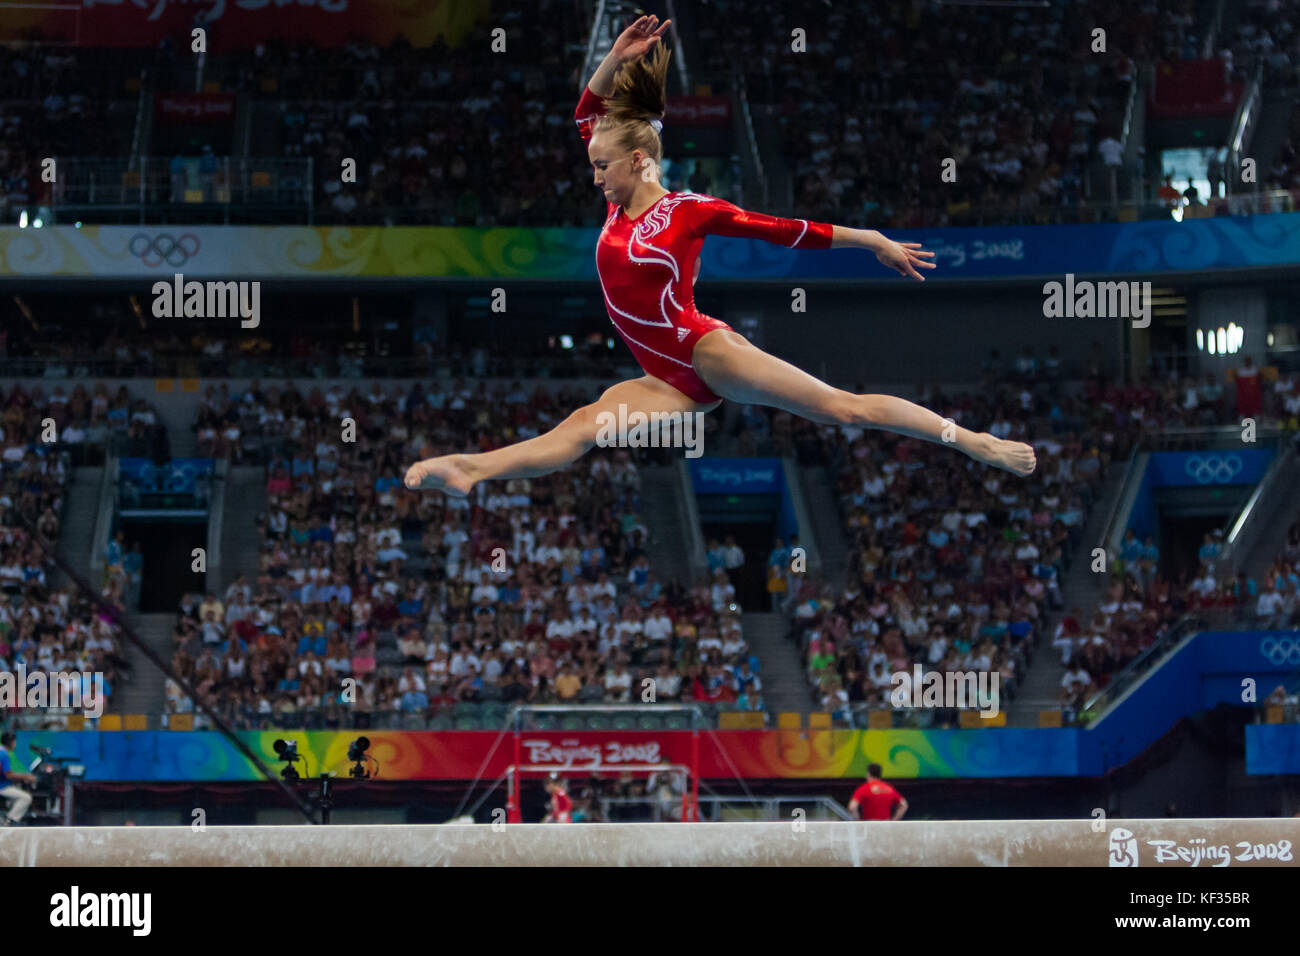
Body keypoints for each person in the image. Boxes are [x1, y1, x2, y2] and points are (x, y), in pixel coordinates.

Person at [404, 15, 1035, 497]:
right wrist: (614, 62)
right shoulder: (613, 204)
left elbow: (785, 229)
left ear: (636, 160)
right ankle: (470, 471)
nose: (593, 175)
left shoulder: (686, 210)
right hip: (667, 380)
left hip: (706, 351)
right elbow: (588, 114)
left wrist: (870, 240)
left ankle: (974, 442)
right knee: (583, 426)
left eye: (602, 166)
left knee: (843, 408)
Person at [0, 731, 35, 827]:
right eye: (14, 742)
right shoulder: (3, 754)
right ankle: (9, 821)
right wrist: (26, 776)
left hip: (4, 784)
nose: (15, 744)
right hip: (2, 787)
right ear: (10, 742)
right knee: (26, 798)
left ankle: (6, 819)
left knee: (16, 797)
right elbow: (9, 775)